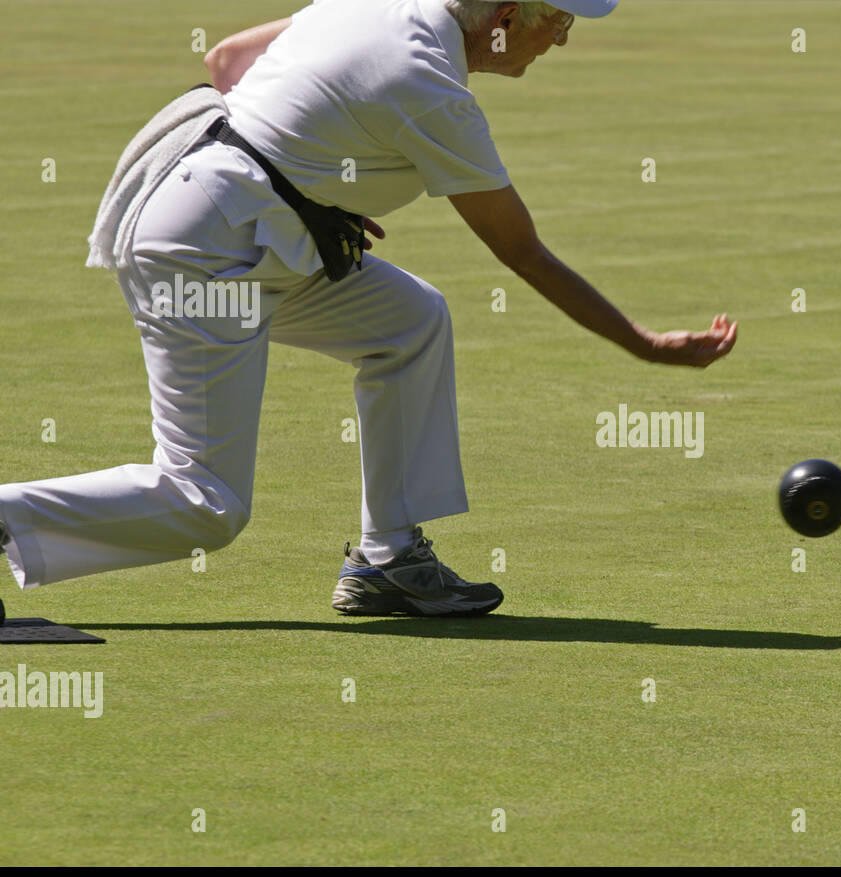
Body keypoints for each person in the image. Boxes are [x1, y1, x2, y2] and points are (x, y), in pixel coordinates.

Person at [0, 0, 737, 617]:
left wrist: (309, 179)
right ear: (506, 18)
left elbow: (227, 61)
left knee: (408, 323)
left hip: (244, 221)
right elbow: (524, 254)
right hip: (206, 254)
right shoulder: (433, 91)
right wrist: (642, 344)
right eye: (558, 19)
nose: (565, 38)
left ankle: (388, 559)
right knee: (207, 502)